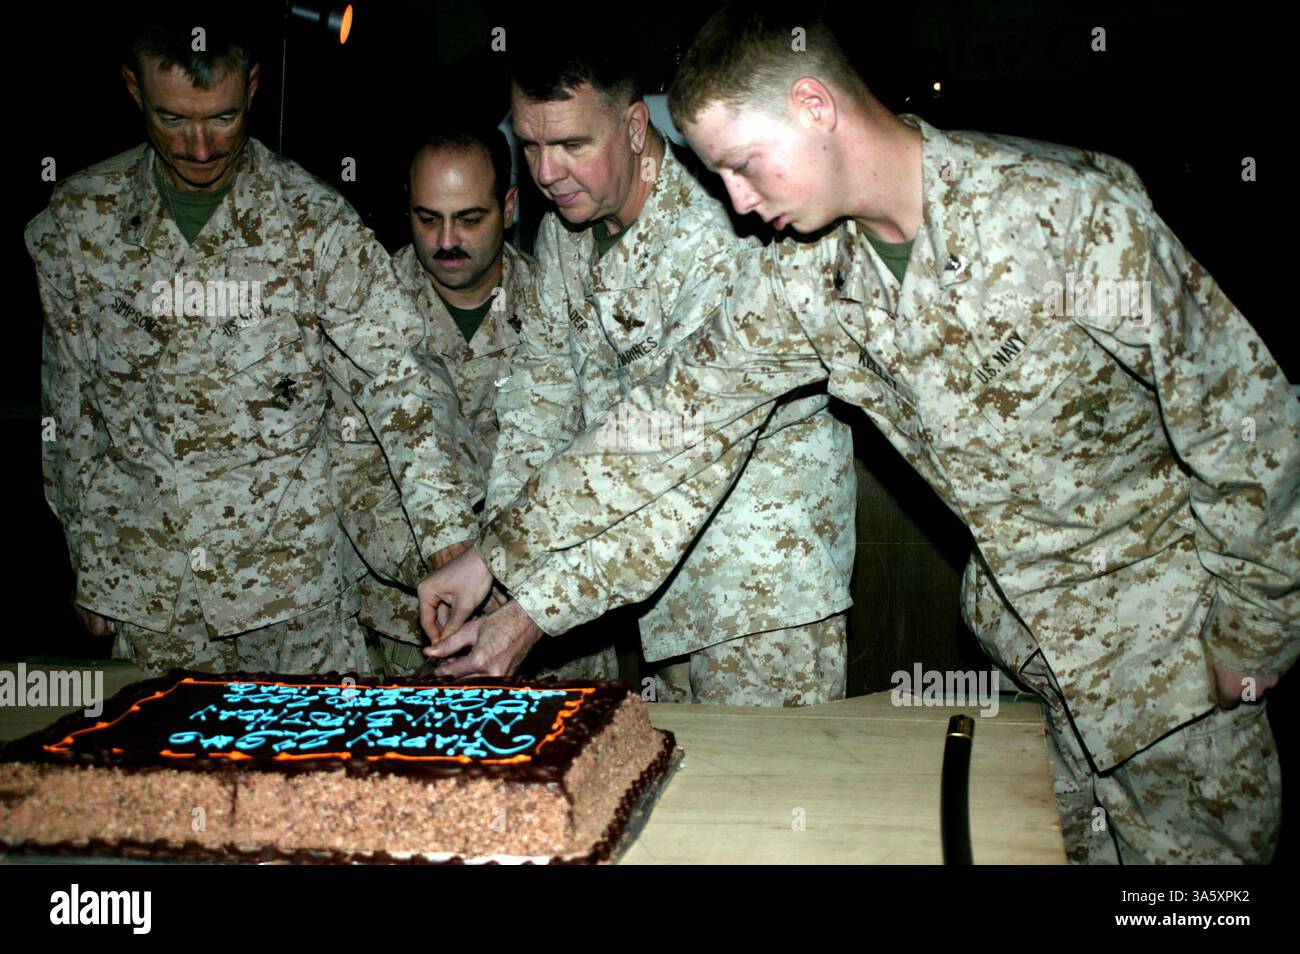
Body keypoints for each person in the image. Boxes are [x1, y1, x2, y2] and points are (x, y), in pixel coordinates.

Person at [421, 7, 1298, 863]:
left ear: (814, 107)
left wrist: (1255, 638)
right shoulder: (809, 279)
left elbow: (1245, 423)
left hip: (1173, 659)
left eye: (743, 165)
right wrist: (496, 553)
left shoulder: (1066, 214)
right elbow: (668, 425)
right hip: (1037, 667)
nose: (733, 199)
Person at [29, 15, 479, 675]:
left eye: (224, 118)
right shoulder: (77, 225)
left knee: (317, 772)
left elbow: (399, 383)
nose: (202, 147)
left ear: (255, 88)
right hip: (151, 596)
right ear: (132, 89)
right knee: (161, 774)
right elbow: (66, 407)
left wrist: (448, 546)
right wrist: (85, 558)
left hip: (291, 599)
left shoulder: (314, 224)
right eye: (175, 119)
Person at [419, 35, 857, 705]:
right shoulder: (563, 234)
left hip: (760, 597)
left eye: (571, 145)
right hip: (646, 598)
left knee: (764, 803)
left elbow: (673, 460)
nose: (547, 173)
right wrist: (495, 563)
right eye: (530, 147)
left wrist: (533, 607)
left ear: (632, 126)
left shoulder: (722, 229)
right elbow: (539, 408)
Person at [359, 127, 537, 675]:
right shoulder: (366, 309)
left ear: (507, 207)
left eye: (469, 218)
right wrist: (456, 567)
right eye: (428, 218)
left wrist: (515, 578)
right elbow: (358, 479)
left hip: (543, 625)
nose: (446, 241)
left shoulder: (561, 300)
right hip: (417, 624)